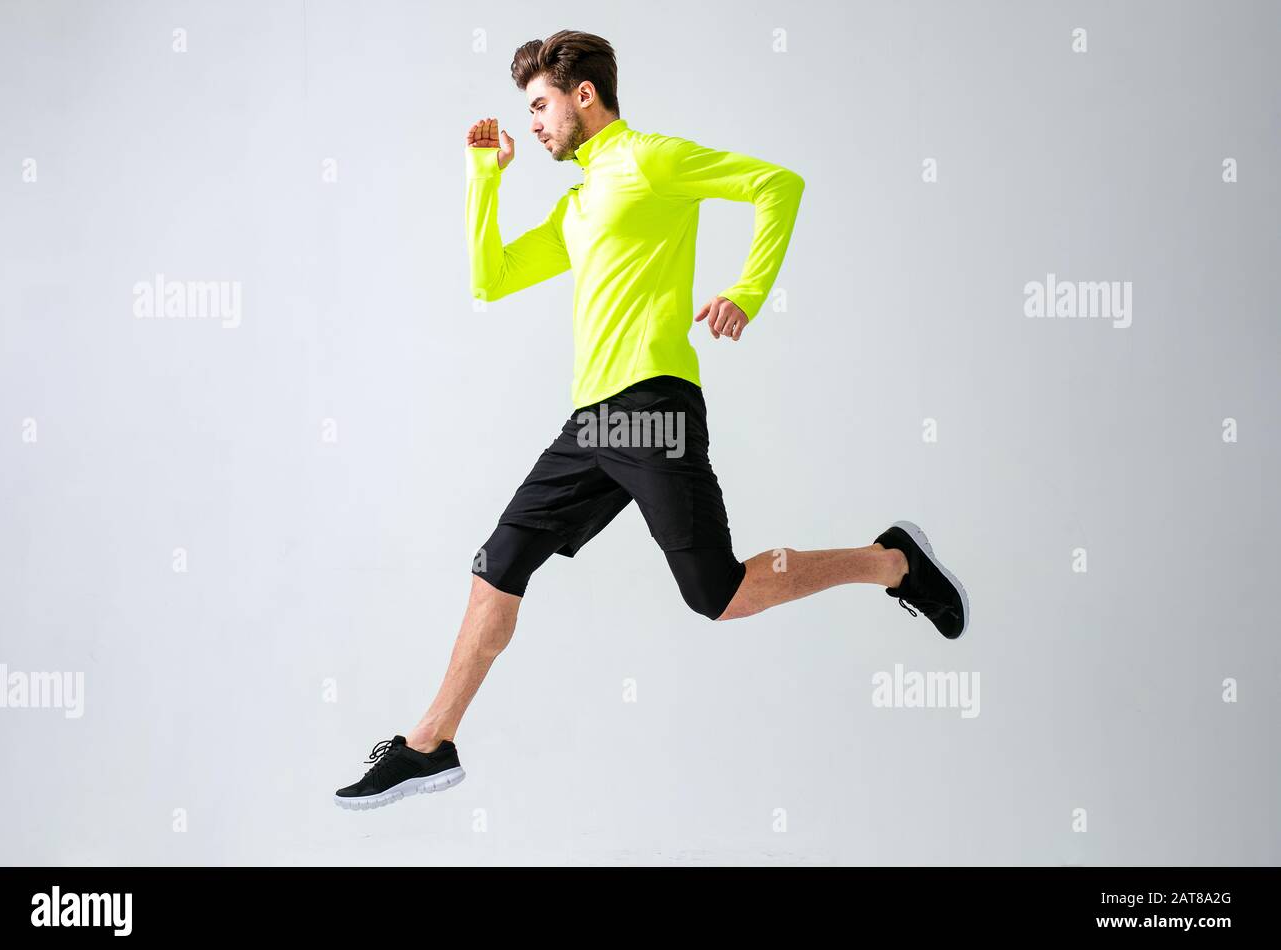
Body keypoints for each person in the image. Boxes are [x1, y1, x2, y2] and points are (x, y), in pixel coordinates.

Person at [335, 30, 968, 811]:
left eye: (539, 106)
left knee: (718, 593)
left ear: (583, 96)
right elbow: (490, 278)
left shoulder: (651, 160)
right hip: (592, 425)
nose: (532, 124)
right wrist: (482, 176)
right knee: (496, 566)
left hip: (653, 410)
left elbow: (780, 184)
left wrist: (747, 290)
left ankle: (892, 562)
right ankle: (428, 745)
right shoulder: (578, 203)